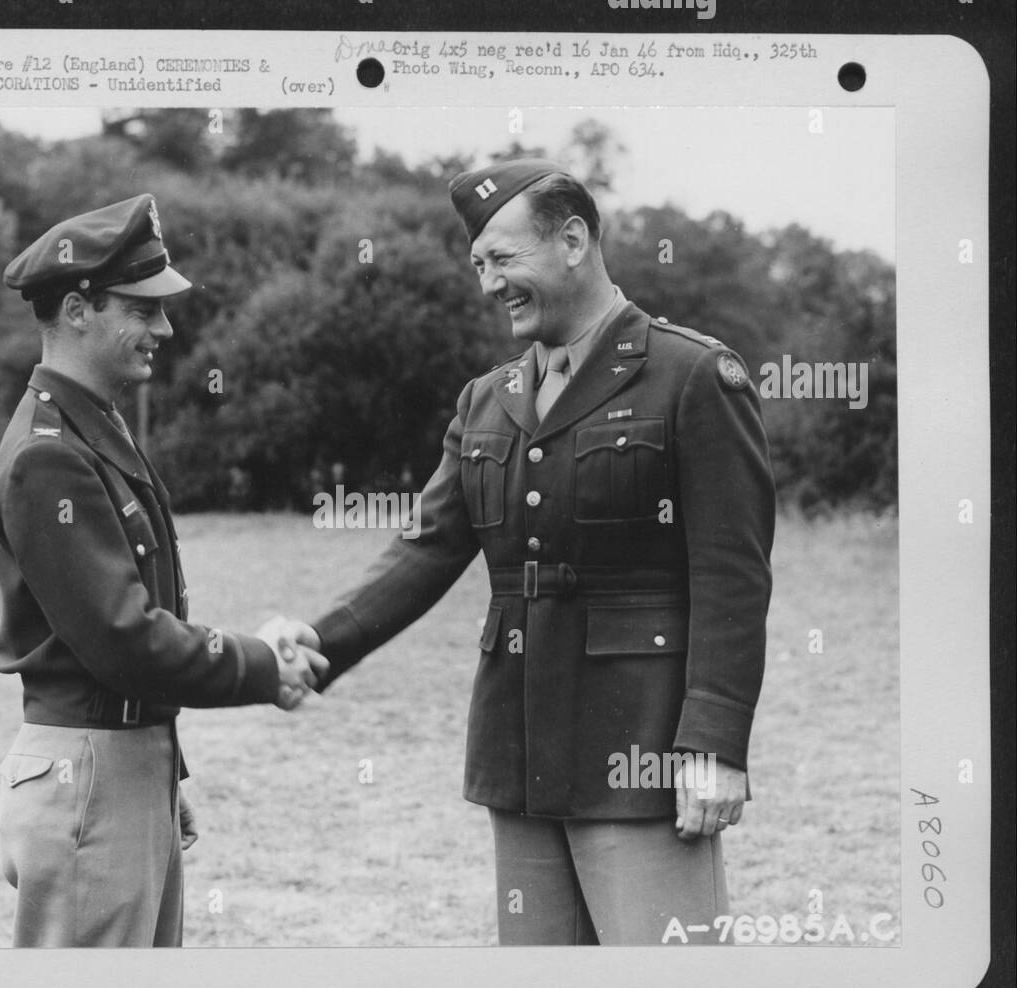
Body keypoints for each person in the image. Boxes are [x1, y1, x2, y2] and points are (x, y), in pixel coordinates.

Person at [288, 159, 775, 945]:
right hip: (519, 753)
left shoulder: (691, 375)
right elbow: (427, 548)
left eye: (504, 260)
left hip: (641, 760)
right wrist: (318, 644)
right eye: (478, 265)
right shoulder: (486, 398)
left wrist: (713, 743)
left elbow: (733, 576)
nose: (488, 284)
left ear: (574, 239)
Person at [0, 193, 325, 948]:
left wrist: (158, 774)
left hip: (119, 767)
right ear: (79, 309)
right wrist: (261, 665)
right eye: (144, 310)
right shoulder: (50, 452)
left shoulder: (91, 422)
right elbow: (123, 639)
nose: (164, 330)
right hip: (89, 774)